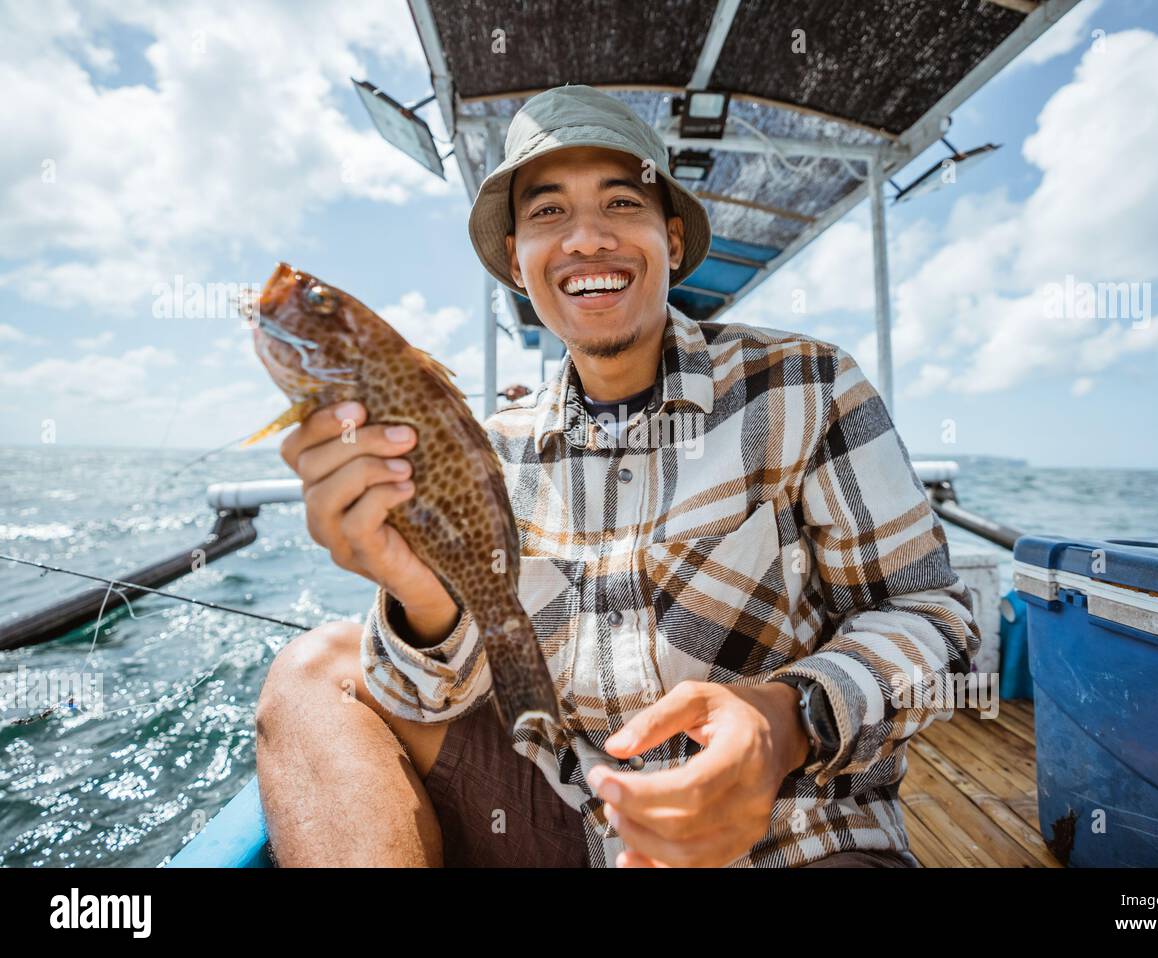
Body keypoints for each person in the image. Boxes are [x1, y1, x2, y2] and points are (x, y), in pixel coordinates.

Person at [255, 84, 980, 868]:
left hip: (795, 833)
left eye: (621, 204)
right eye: (546, 213)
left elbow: (934, 616)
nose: (587, 238)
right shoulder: (491, 450)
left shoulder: (808, 385)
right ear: (516, 263)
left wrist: (782, 722)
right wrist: (417, 595)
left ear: (670, 240)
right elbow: (449, 690)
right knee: (314, 671)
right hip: (574, 816)